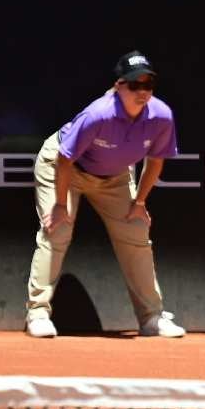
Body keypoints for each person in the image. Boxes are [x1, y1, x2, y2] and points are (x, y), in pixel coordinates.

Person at [24, 50, 185, 339]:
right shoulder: (97, 114)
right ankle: (37, 313)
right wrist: (60, 205)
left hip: (116, 177)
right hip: (65, 168)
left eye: (148, 84)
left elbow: (155, 161)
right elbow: (64, 159)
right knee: (57, 230)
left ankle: (152, 318)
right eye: (135, 84)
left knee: (136, 230)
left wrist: (140, 202)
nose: (142, 92)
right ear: (118, 86)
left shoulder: (162, 116)